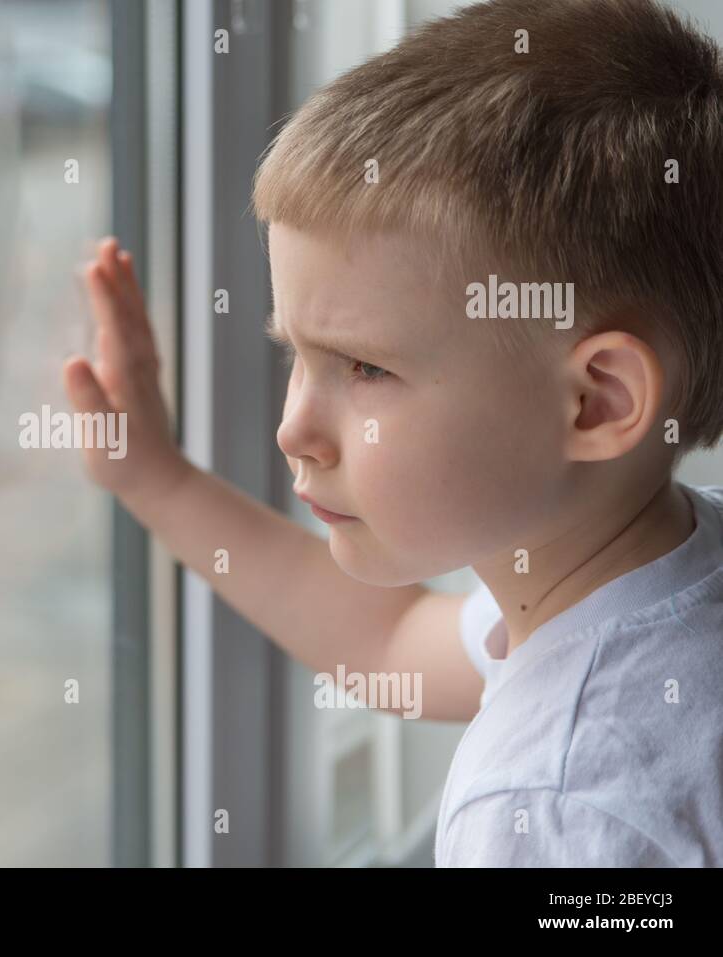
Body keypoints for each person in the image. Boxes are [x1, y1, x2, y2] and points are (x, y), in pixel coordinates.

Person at [63, 0, 723, 866]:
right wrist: (156, 478)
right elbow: (390, 640)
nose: (294, 429)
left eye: (364, 369)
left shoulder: (553, 806)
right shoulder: (658, 569)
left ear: (597, 402)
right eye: (294, 355)